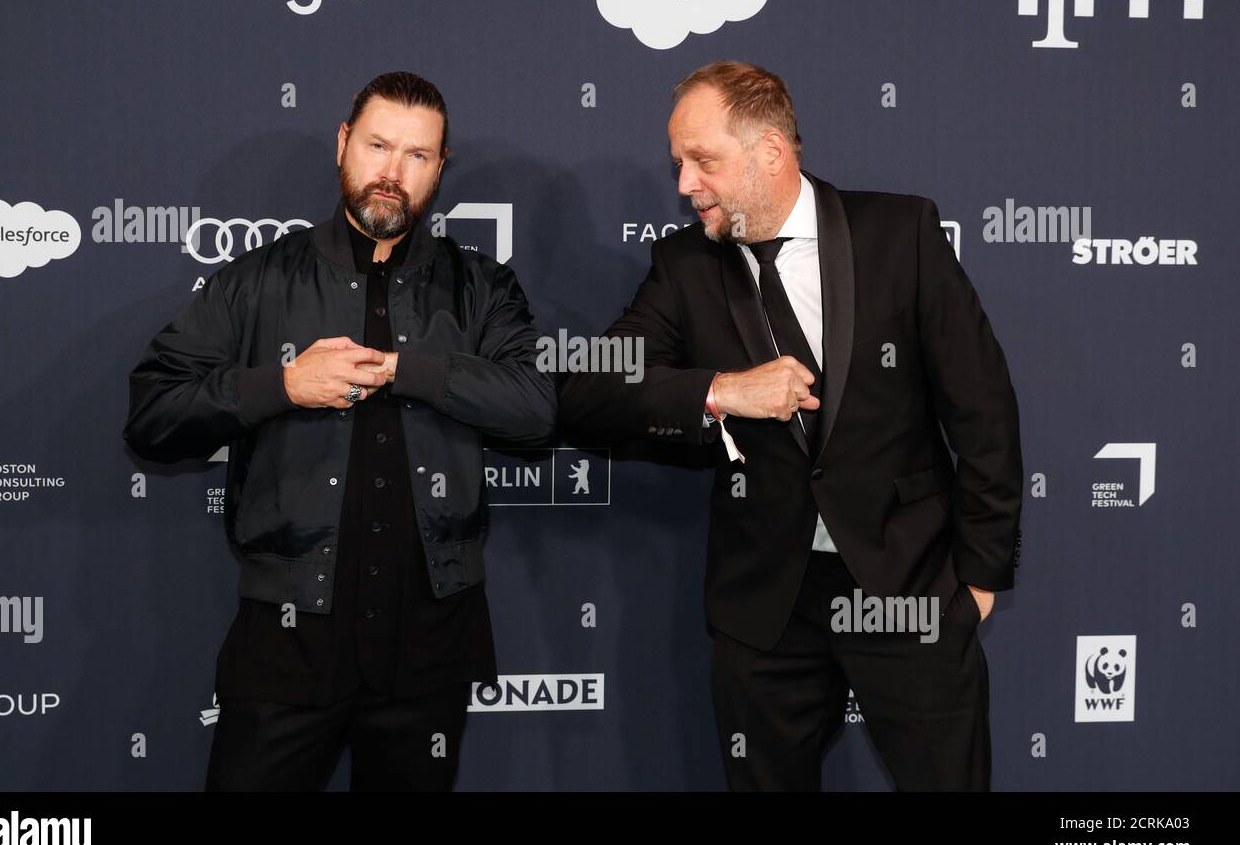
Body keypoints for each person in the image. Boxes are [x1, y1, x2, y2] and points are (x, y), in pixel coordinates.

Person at [559, 60, 1022, 790]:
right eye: (678, 163)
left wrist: (982, 580)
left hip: (907, 585)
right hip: (764, 607)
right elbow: (588, 390)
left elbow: (983, 406)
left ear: (770, 153)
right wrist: (719, 390)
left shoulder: (900, 233)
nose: (684, 185)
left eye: (702, 161)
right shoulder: (684, 266)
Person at [123, 71, 556, 791]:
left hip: (429, 647)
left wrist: (404, 370)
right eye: (379, 145)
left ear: (440, 170)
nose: (393, 173)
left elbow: (536, 411)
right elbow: (152, 416)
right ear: (343, 145)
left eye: (418, 156)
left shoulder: (482, 287)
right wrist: (284, 385)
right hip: (286, 644)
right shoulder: (255, 282)